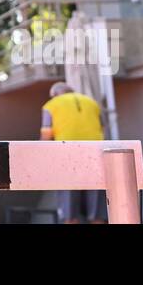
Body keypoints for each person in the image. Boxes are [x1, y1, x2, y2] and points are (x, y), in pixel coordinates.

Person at [41, 82, 107, 224]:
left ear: (54, 95)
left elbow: (45, 137)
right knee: (96, 210)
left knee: (69, 208)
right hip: (95, 154)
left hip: (67, 155)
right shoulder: (92, 103)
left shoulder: (51, 105)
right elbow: (102, 128)